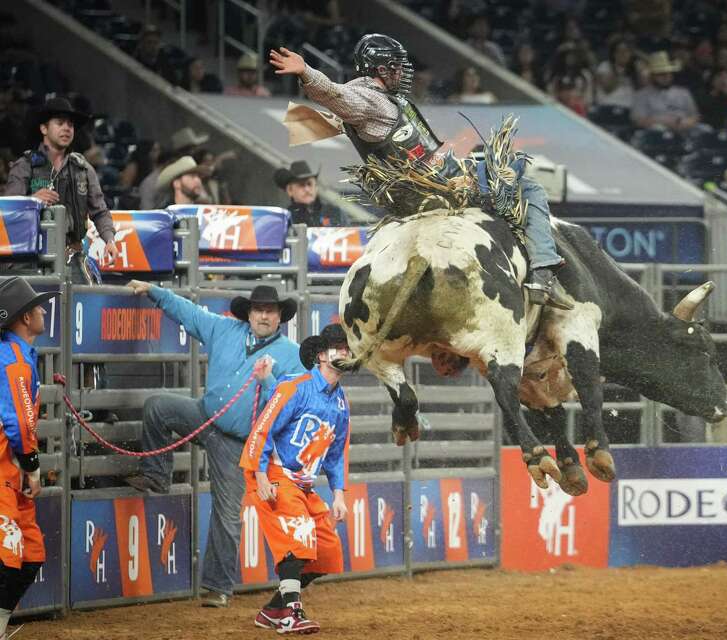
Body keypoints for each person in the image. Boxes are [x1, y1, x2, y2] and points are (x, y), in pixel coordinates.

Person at [269, 35, 575, 310]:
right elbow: (335, 94)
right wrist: (307, 72)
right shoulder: (369, 101)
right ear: (381, 69)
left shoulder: (366, 95)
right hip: (443, 183)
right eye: (395, 67)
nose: (402, 73)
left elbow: (340, 97)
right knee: (524, 179)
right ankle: (543, 270)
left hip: (429, 179)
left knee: (491, 160)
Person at [123, 283, 305, 607]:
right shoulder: (224, 329)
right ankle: (156, 475)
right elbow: (188, 312)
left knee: (227, 514)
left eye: (270, 310)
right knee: (158, 407)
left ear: (280, 317)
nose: (264, 315)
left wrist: (268, 380)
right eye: (259, 309)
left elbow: (291, 405)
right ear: (248, 313)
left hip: (238, 442)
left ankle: (218, 587)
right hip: (204, 416)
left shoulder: (291, 355)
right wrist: (153, 290)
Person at [242, 324, 350, 633]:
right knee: (298, 538)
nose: (345, 352)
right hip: (275, 474)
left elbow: (337, 452)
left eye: (347, 347)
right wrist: (261, 474)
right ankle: (291, 613)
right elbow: (263, 428)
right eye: (338, 347)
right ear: (321, 356)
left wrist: (339, 494)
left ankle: (273, 610)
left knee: (327, 553)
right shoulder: (294, 386)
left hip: (303, 483)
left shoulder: (341, 402)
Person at [0, 277, 58, 639]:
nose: (42, 309)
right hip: (5, 475)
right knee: (8, 559)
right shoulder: (15, 360)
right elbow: (18, 420)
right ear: (23, 318)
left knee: (30, 555)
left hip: (9, 474)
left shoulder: (20, 357)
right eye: (36, 306)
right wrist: (32, 467)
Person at [3, 97, 118, 271]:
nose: (67, 128)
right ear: (44, 128)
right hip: (32, 259)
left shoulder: (82, 168)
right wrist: (32, 201)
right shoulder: (25, 165)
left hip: (73, 257)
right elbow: (6, 212)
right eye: (60, 123)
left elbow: (100, 211)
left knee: (88, 293)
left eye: (70, 125)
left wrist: (109, 239)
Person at [630, 51, 699, 131]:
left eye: (669, 73)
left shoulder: (683, 92)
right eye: (661, 74)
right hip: (656, 131)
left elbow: (695, 116)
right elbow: (639, 120)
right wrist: (665, 121)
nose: (666, 77)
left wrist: (687, 122)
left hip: (685, 129)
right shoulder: (641, 95)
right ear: (653, 75)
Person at [274, 160, 347, 226]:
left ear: (316, 186)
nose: (307, 189)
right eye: (301, 185)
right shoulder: (285, 219)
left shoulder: (335, 212)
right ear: (290, 190)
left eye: (309, 184)